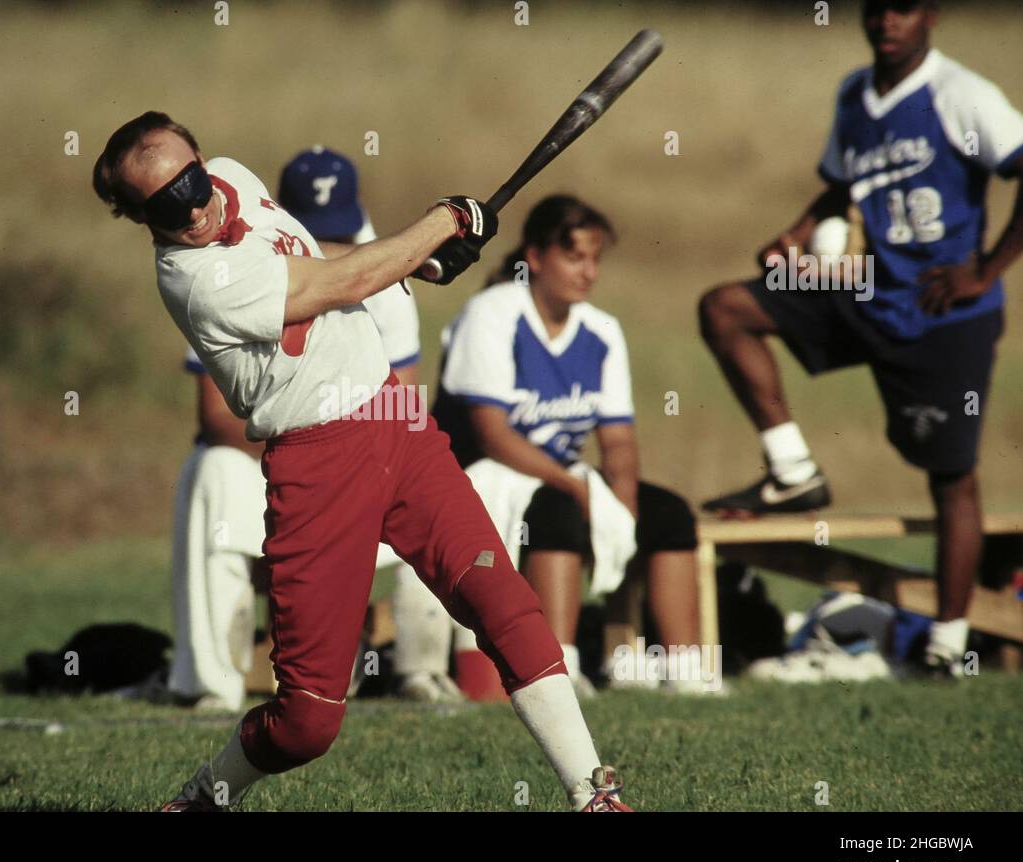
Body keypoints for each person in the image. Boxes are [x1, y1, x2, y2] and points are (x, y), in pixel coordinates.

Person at [92, 111, 632, 811]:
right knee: (308, 720)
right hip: (316, 463)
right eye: (164, 204)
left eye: (191, 180)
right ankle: (206, 795)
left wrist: (422, 265)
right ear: (140, 217)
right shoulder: (197, 278)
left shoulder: (232, 177)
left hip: (396, 423)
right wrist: (439, 224)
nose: (192, 205)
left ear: (200, 156)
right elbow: (332, 286)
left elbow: (321, 259)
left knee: (505, 606)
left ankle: (593, 794)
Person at [697, 0, 1023, 675]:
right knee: (727, 308)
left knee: (949, 477)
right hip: (865, 288)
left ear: (930, 15)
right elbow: (842, 189)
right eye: (876, 9)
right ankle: (793, 472)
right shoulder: (854, 93)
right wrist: (795, 234)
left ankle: (946, 645)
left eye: (902, 9)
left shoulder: (962, 95)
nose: (886, 22)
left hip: (944, 314)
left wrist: (985, 270)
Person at [169, 145, 459, 710]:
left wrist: (337, 456)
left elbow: (398, 406)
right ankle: (215, 683)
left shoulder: (384, 276)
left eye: (342, 233)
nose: (335, 248)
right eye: (318, 232)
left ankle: (419, 668)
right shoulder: (218, 267)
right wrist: (303, 446)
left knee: (423, 471)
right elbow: (214, 415)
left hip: (354, 462)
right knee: (211, 468)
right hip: (266, 456)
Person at [429, 195, 709, 697]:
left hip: (561, 476)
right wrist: (576, 488)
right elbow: (492, 434)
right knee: (558, 512)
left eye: (596, 259)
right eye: (574, 257)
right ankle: (560, 668)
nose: (588, 273)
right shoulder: (492, 314)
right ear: (535, 257)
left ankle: (684, 670)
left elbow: (619, 440)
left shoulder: (601, 330)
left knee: (669, 514)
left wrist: (619, 506)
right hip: (481, 475)